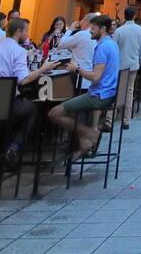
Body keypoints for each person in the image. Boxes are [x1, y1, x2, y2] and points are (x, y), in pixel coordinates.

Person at [0, 17, 61, 168]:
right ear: (18, 32)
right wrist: (44, 69)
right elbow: (23, 80)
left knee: (18, 108)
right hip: (5, 104)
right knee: (33, 109)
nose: (28, 35)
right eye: (26, 31)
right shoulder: (18, 51)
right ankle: (14, 146)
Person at [48, 15, 119, 160]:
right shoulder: (111, 44)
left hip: (99, 95)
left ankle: (89, 133)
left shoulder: (102, 48)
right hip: (106, 92)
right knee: (70, 109)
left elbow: (95, 76)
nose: (90, 31)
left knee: (54, 113)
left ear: (103, 29)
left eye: (93, 28)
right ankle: (84, 139)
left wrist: (77, 68)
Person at [111, 7, 141, 130]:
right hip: (133, 64)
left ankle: (110, 119)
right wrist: (140, 60)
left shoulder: (119, 31)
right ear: (134, 16)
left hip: (120, 65)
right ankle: (126, 120)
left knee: (116, 90)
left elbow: (113, 48)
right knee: (129, 91)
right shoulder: (140, 30)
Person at [58, 13, 99, 88]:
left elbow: (61, 44)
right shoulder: (99, 35)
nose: (80, 24)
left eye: (82, 21)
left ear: (87, 22)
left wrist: (70, 29)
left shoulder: (83, 34)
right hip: (91, 78)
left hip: (79, 78)